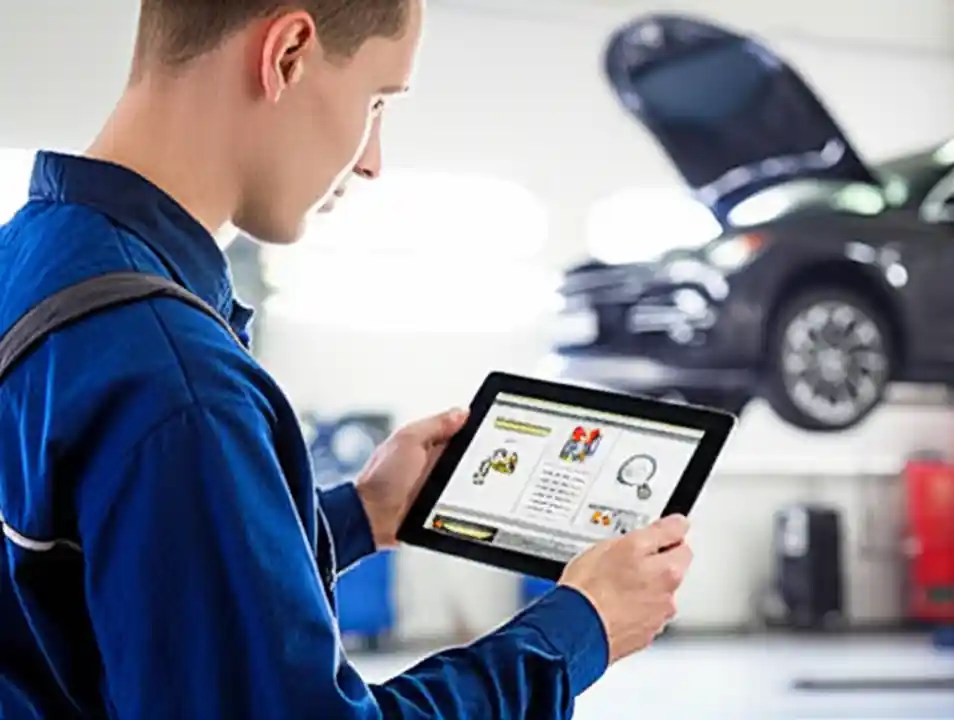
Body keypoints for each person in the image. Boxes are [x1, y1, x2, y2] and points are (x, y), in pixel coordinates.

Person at [0, 1, 694, 718]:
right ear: (289, 54)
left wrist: (360, 515)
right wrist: (578, 629)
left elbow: (111, 588)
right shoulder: (180, 384)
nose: (372, 161)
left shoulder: (28, 263)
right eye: (377, 103)